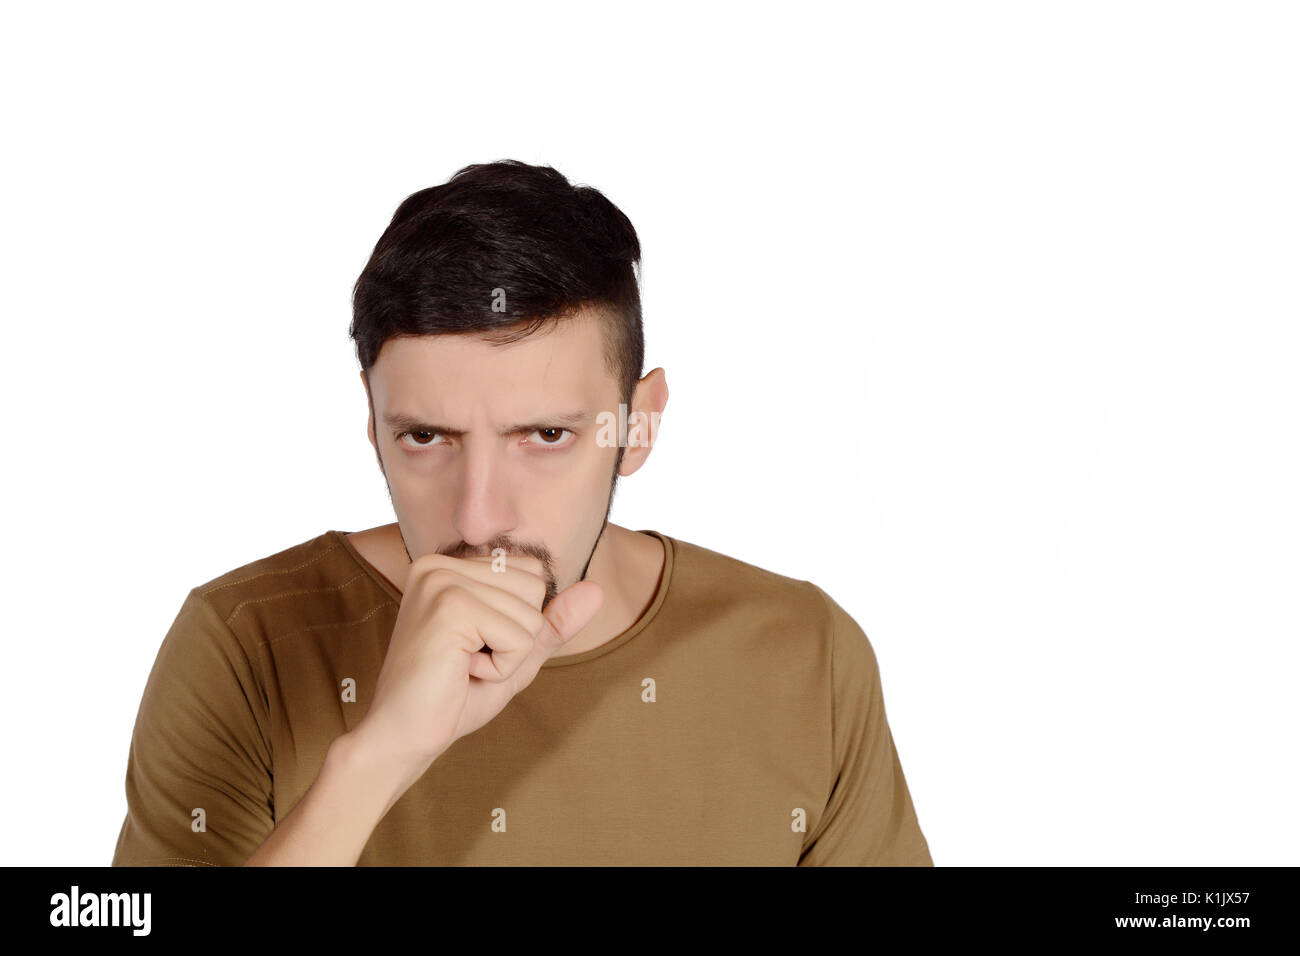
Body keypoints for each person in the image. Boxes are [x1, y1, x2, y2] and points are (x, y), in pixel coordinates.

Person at [110, 160, 933, 866]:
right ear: (372, 422)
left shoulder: (807, 657)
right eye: (425, 437)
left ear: (637, 426)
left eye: (544, 436)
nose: (478, 521)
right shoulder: (246, 644)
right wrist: (379, 757)